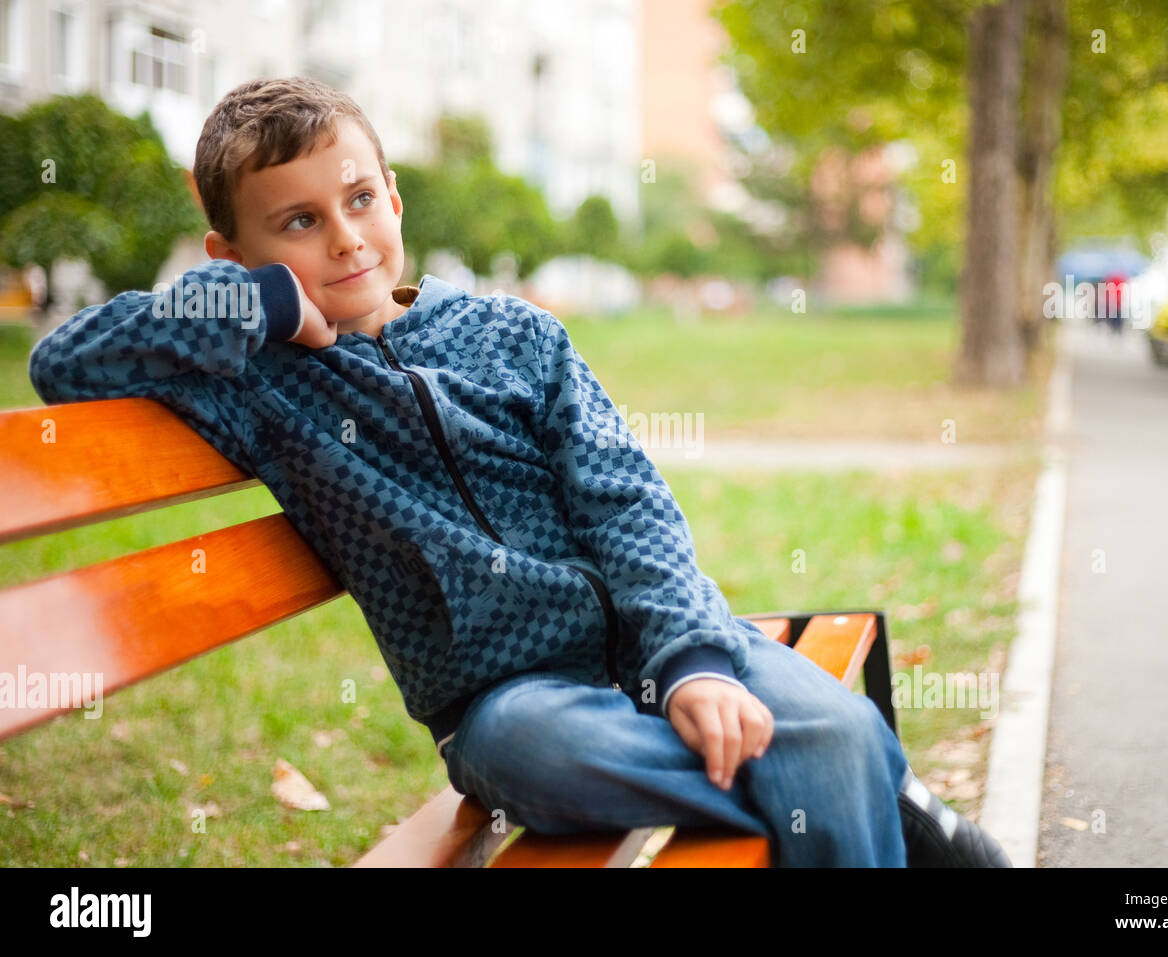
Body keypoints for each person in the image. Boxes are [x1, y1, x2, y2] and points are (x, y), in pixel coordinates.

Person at [28, 76, 1010, 868]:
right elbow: (65, 363)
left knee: (819, 728)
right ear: (234, 253)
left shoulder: (513, 336)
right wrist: (254, 308)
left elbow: (627, 505)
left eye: (360, 199)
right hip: (508, 707)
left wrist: (691, 662)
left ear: (395, 198)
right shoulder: (260, 387)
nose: (344, 238)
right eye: (296, 224)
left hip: (663, 637)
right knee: (634, 752)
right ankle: (879, 796)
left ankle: (840, 773)